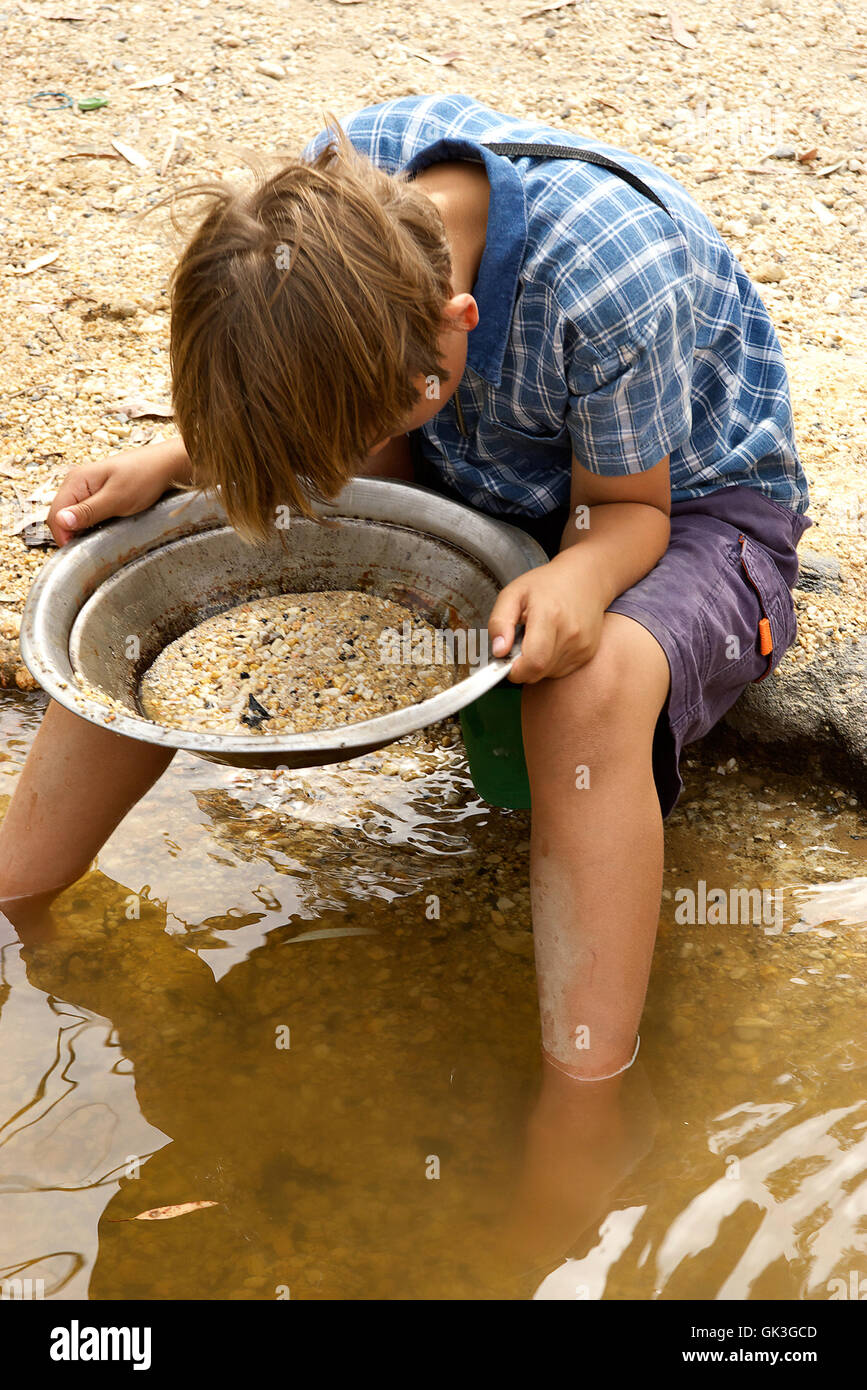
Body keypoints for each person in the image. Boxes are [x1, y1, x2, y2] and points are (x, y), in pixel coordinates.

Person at [0, 94, 810, 1258]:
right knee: (179, 556)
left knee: (583, 693)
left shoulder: (607, 277)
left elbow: (627, 511)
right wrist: (175, 460)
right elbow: (300, 397)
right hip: (477, 452)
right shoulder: (339, 191)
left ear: (452, 333)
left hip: (684, 504)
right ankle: (15, 892)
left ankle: (590, 1102)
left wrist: (577, 584)